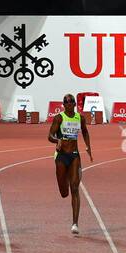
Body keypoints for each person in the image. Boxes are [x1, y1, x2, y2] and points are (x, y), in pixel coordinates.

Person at [47, 94, 93, 235]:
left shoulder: (80, 118)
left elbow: (85, 132)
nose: (69, 104)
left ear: (74, 104)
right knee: (64, 192)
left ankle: (75, 223)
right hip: (61, 156)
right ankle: (65, 179)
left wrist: (88, 147)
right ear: (63, 105)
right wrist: (57, 141)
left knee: (75, 188)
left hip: (74, 155)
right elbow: (50, 135)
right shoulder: (59, 118)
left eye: (71, 102)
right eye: (66, 102)